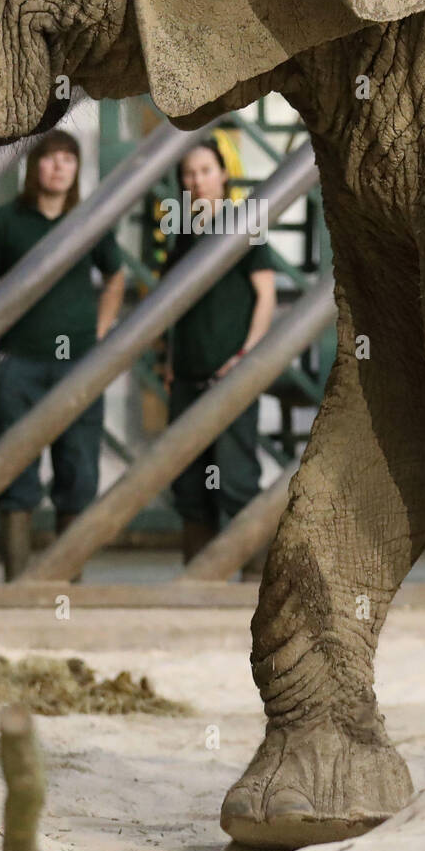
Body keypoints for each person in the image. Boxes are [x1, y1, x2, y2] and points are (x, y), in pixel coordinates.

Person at [0, 129, 126, 579]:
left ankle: (67, 582)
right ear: (33, 167)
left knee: (78, 469)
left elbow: (116, 276)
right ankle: (17, 580)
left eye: (68, 161)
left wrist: (99, 329)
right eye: (51, 159)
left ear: (76, 171)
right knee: (14, 470)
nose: (59, 167)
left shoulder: (88, 220)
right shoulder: (6, 221)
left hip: (78, 366)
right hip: (18, 364)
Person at [163, 138, 277, 573]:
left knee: (235, 479)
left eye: (205, 170)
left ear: (223, 174)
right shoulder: (181, 234)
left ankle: (254, 583)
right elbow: (172, 309)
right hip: (186, 378)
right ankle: (199, 583)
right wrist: (171, 364)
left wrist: (246, 356)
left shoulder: (243, 224)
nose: (197, 180)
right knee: (190, 484)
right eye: (189, 174)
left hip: (232, 375)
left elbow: (265, 295)